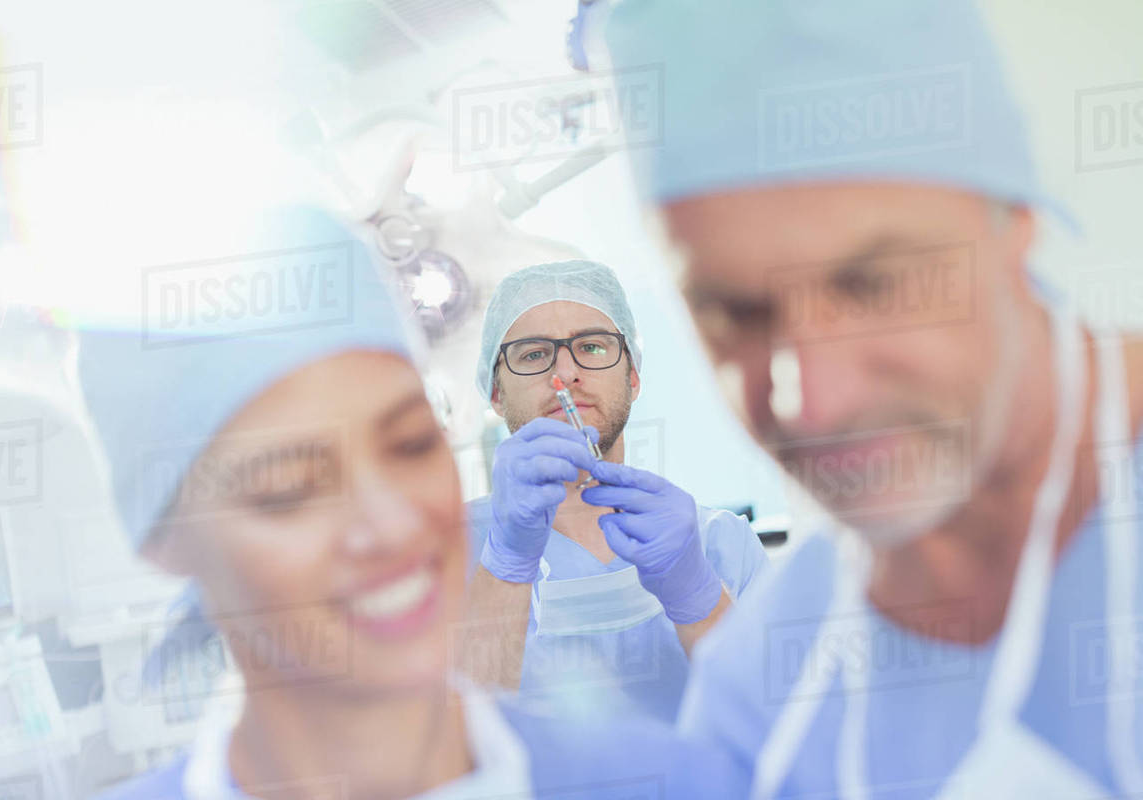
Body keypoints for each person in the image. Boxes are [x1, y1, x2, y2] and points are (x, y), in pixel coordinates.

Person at [605, 0, 1143, 798]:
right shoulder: (762, 691)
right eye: (737, 315)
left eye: (877, 285)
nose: (810, 401)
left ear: (1015, 217)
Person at [83, 205, 736, 800]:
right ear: (164, 540)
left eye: (412, 445)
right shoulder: (498, 538)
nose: (390, 524)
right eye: (289, 490)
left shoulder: (674, 782)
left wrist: (697, 594)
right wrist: (508, 560)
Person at [464, 259, 769, 723]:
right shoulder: (439, 550)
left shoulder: (719, 545)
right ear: (495, 394)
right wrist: (505, 564)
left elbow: (781, 734)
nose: (564, 374)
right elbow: (439, 759)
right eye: (531, 354)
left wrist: (699, 596)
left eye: (591, 346)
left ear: (633, 377)